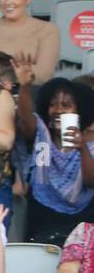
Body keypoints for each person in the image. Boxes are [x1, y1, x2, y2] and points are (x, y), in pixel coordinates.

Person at [16, 72, 94, 246]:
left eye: (66, 105)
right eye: (53, 105)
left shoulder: (90, 145)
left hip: (81, 225)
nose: (58, 110)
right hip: (42, 222)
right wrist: (25, 87)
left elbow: (91, 182)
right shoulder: (41, 135)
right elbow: (25, 118)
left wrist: (82, 149)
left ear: (79, 112)